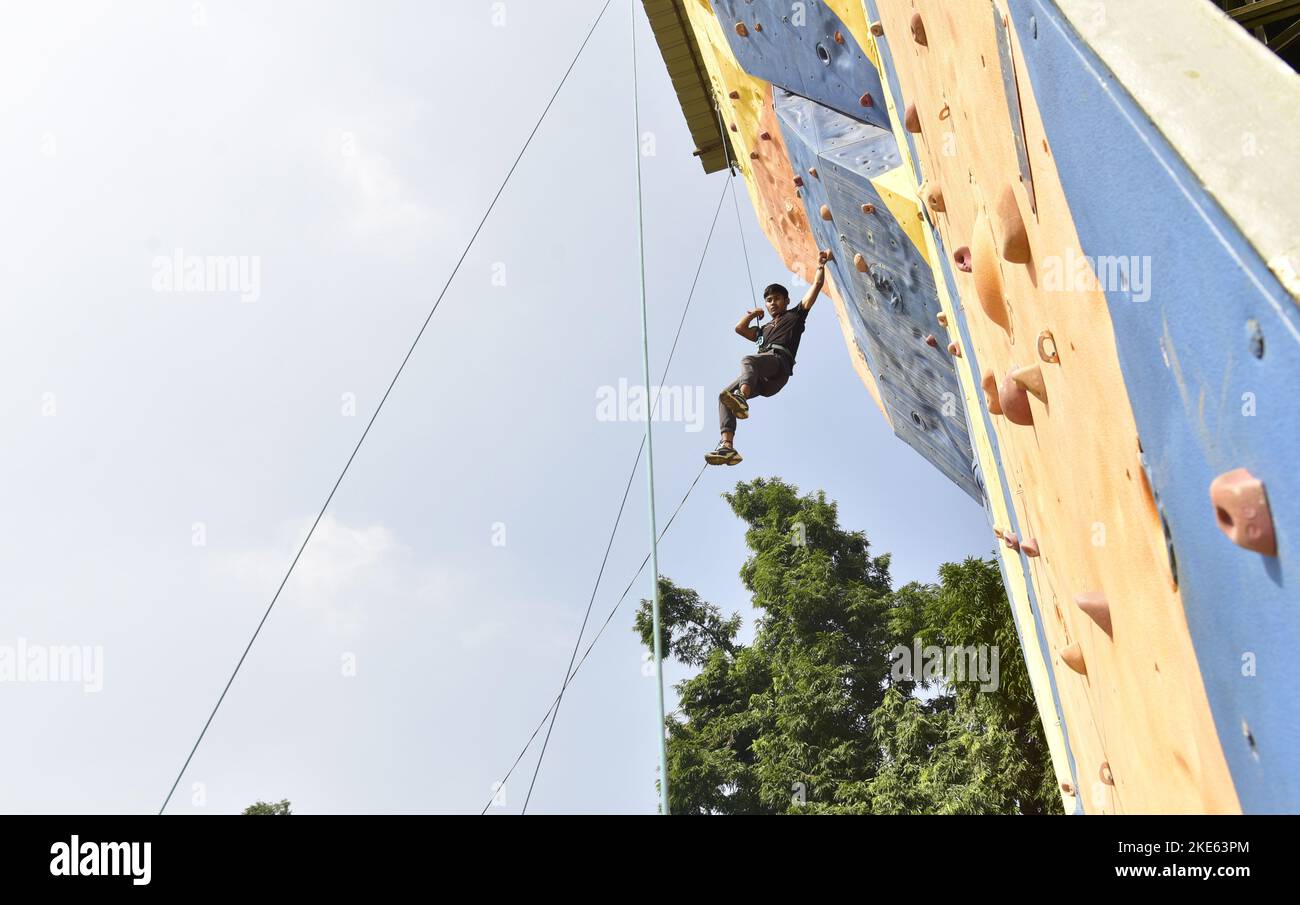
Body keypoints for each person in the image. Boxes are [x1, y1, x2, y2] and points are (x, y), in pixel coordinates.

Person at [705, 250, 831, 465]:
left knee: (748, 360)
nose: (773, 303)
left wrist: (821, 265)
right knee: (724, 395)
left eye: (777, 299)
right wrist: (753, 314)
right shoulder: (763, 330)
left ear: (786, 300)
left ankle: (741, 399)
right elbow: (739, 328)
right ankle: (728, 447)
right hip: (763, 383)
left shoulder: (795, 315)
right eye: (769, 300)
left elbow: (816, 287)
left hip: (778, 365)